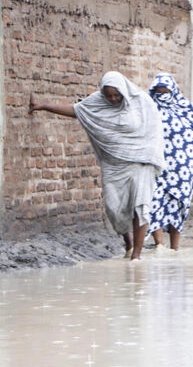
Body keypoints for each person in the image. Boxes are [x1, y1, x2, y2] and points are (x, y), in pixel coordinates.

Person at [29, 71, 165, 260]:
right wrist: (43, 106)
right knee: (113, 207)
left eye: (117, 95)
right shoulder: (97, 101)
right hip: (113, 164)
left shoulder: (142, 102)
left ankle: (136, 255)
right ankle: (128, 242)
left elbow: (154, 133)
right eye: (108, 95)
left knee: (140, 206)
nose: (113, 99)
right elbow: (76, 111)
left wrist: (149, 156)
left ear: (123, 91)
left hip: (140, 163)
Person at [146, 73, 193, 252]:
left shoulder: (187, 108)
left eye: (165, 91)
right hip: (157, 166)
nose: (162, 95)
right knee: (155, 203)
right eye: (158, 91)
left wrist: (185, 159)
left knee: (179, 205)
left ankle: (175, 247)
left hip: (182, 169)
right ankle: (159, 245)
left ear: (173, 90)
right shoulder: (149, 108)